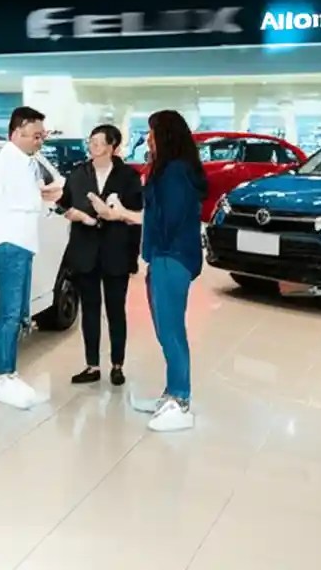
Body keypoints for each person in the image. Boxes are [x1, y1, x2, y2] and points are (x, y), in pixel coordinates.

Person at [91, 110, 206, 432]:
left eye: (152, 132)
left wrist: (121, 214)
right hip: (164, 256)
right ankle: (171, 394)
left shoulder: (175, 173)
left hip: (173, 258)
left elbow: (164, 219)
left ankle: (180, 401)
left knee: (171, 331)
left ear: (166, 135)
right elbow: (158, 215)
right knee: (164, 330)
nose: (148, 138)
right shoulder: (169, 170)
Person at [0, 106, 62, 409]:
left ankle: (10, 373)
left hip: (24, 244)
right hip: (9, 244)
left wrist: (45, 194)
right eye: (35, 136)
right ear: (16, 133)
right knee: (8, 313)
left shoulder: (29, 162)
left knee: (18, 313)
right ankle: (2, 376)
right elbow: (10, 199)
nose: (39, 142)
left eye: (42, 136)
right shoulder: (2, 162)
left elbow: (44, 193)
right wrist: (42, 195)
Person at [60, 124, 142, 387]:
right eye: (91, 141)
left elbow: (136, 217)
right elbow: (65, 203)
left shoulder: (128, 176)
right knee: (90, 310)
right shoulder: (78, 173)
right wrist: (73, 213)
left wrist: (133, 257)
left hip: (116, 252)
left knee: (116, 310)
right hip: (85, 251)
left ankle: (117, 364)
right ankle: (92, 365)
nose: (93, 146)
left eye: (98, 142)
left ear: (112, 146)